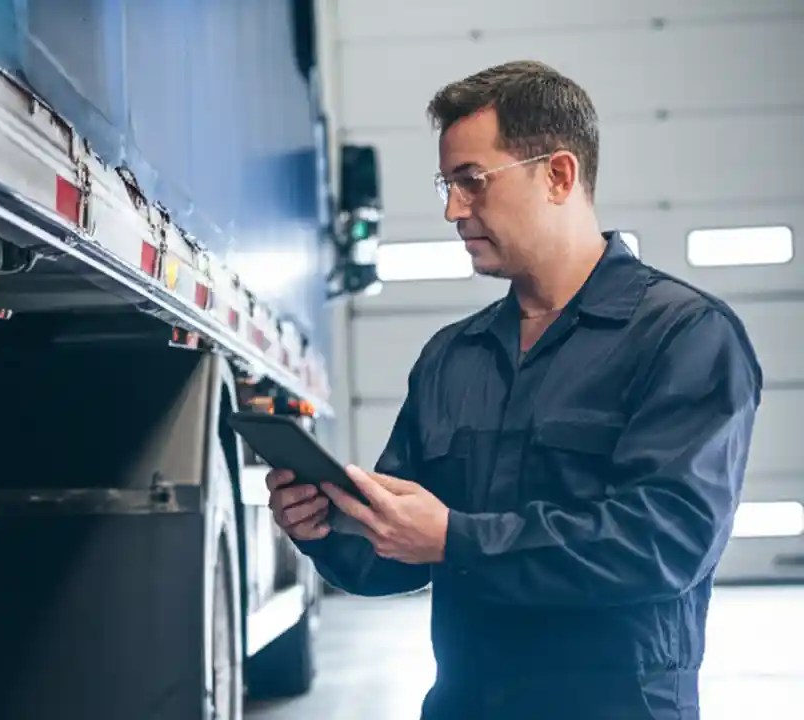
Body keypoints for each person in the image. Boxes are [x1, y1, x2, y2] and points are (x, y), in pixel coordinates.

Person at [267, 60, 763, 720]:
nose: (451, 209)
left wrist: (455, 538)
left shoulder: (685, 337)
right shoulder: (453, 356)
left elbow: (664, 541)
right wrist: (327, 527)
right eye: (447, 184)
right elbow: (397, 552)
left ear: (558, 174)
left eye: (472, 181)